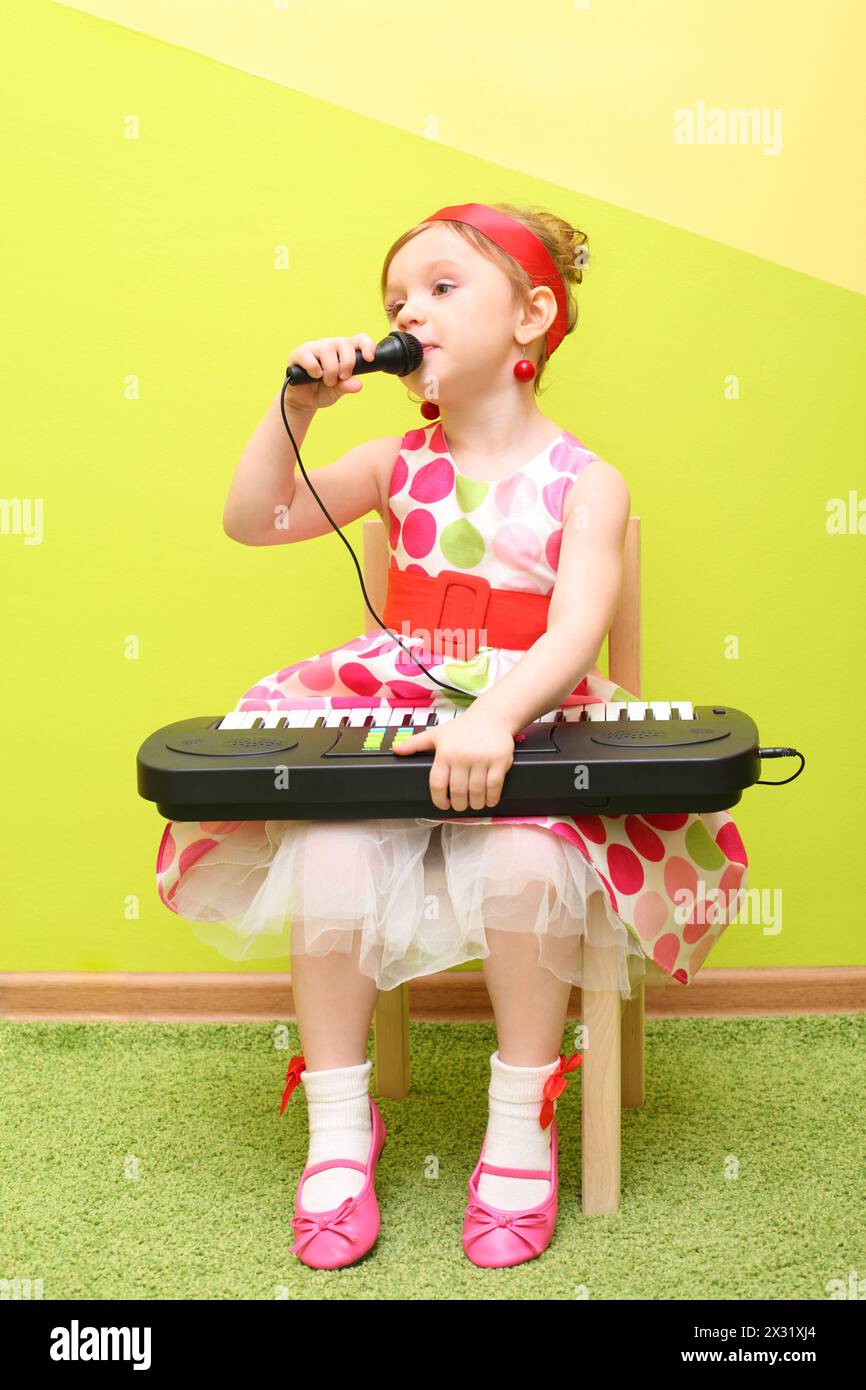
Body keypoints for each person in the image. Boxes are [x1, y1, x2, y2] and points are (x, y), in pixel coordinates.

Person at [155, 201, 749, 1270]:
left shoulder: (587, 481)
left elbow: (575, 623)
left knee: (526, 863)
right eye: (394, 300)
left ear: (529, 317)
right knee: (330, 856)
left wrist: (494, 714)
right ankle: (339, 1125)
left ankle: (520, 1116)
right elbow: (258, 518)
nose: (407, 312)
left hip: (524, 713)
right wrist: (294, 407)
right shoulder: (392, 462)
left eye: (439, 287)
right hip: (391, 708)